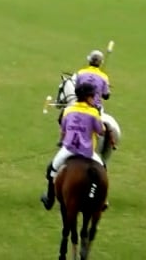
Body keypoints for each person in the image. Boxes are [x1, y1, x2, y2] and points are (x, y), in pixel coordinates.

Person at [40, 82, 105, 211]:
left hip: (68, 149)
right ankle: (101, 200)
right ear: (87, 97)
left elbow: (63, 131)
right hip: (87, 152)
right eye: (92, 96)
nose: (94, 99)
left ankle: (50, 199)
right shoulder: (93, 112)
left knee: (51, 170)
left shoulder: (67, 110)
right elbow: (101, 131)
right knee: (102, 170)